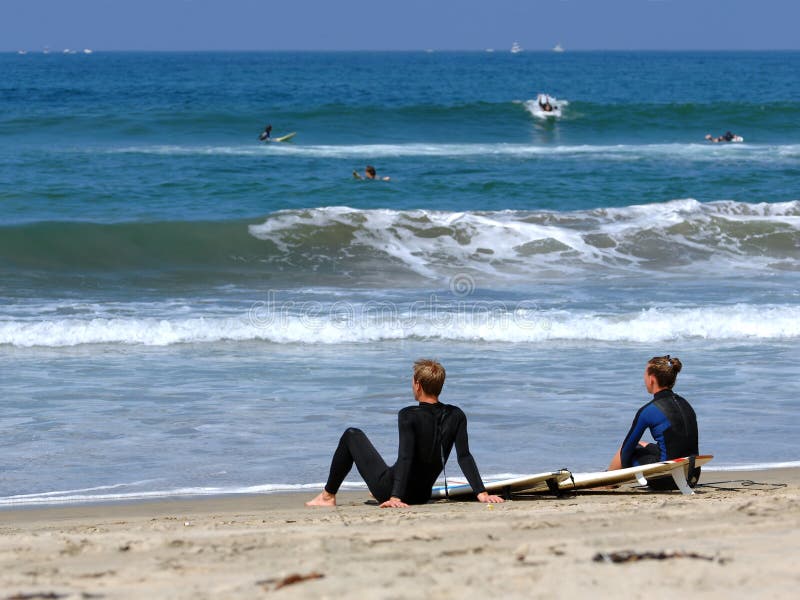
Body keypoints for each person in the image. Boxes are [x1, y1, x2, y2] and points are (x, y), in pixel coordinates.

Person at [306, 359, 504, 508]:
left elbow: (406, 457)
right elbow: (464, 456)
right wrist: (481, 493)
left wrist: (394, 497)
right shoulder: (456, 414)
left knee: (352, 434)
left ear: (417, 385)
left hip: (392, 491)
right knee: (392, 467)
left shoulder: (408, 415)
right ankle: (374, 493)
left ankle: (327, 496)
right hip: (421, 495)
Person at [608, 355, 701, 489]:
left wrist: (625, 470)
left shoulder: (648, 410)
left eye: (645, 374)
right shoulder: (685, 404)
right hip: (692, 475)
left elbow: (626, 452)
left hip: (666, 478)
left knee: (628, 447)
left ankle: (607, 483)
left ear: (651, 379)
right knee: (642, 444)